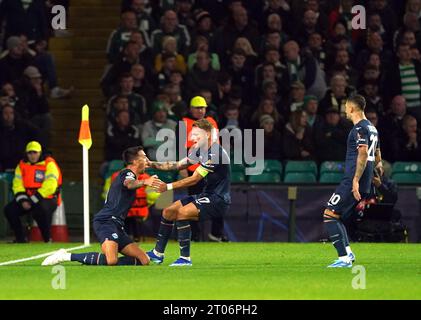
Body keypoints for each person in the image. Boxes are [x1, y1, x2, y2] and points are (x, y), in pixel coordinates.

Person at [41, 146, 162, 266]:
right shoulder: (127, 173)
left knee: (144, 260)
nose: (147, 160)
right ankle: (65, 256)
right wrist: (145, 181)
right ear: (135, 161)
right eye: (144, 157)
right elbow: (129, 184)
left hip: (117, 225)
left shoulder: (132, 175)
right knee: (111, 260)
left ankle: (94, 260)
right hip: (106, 221)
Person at [146, 119, 231, 266]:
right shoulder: (200, 150)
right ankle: (157, 254)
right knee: (168, 211)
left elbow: (194, 179)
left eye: (196, 134)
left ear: (207, 135)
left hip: (218, 199)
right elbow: (178, 165)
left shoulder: (215, 154)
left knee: (182, 213)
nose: (192, 137)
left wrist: (168, 187)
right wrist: (151, 164)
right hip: (206, 195)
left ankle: (185, 259)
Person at [323, 95, 383, 268]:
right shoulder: (372, 128)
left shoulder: (359, 129)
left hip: (353, 180)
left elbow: (363, 153)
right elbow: (377, 155)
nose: (345, 112)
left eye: (345, 108)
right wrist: (376, 172)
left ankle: (344, 258)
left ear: (351, 108)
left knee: (330, 214)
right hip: (364, 181)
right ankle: (348, 254)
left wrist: (356, 180)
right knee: (337, 216)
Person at [4, 141, 62, 243]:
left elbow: (51, 185)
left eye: (35, 152)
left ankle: (47, 239)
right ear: (26, 154)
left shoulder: (49, 164)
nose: (32, 155)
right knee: (9, 210)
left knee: (41, 209)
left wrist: (33, 199)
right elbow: (17, 184)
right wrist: (23, 200)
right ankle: (20, 239)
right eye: (30, 153)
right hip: (27, 198)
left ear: (40, 153)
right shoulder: (21, 165)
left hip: (47, 198)